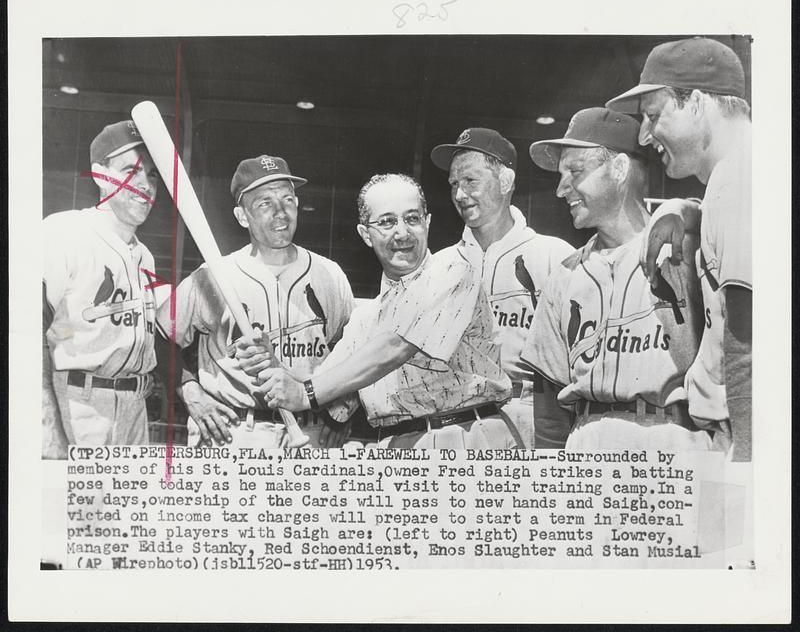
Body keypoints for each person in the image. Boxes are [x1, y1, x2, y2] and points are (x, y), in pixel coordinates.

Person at [236, 173, 518, 449]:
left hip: (467, 437)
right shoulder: (366, 317)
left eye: (412, 218)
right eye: (386, 222)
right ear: (365, 234)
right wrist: (272, 366)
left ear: (427, 223)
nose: (402, 232)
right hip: (394, 446)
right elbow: (326, 387)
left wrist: (303, 393)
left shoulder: (453, 269)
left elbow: (395, 346)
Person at [520, 107, 712, 451]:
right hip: (587, 439)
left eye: (575, 172)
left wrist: (686, 208)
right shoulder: (564, 276)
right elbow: (548, 410)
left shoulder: (684, 250)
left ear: (620, 168)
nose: (562, 189)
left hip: (673, 437)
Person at [606, 37, 751, 460]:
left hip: (739, 433)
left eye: (653, 115)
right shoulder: (743, 173)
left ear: (699, 103)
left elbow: (748, 345)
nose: (645, 135)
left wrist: (747, 462)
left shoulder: (739, 180)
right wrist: (686, 209)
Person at [156, 155, 355, 448]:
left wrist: (343, 413)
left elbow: (352, 349)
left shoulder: (329, 275)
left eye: (288, 199)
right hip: (236, 431)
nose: (280, 212)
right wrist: (191, 393)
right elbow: (160, 339)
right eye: (264, 203)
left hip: (312, 429)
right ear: (241, 216)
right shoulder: (212, 275)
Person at [430, 128, 574, 448]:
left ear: (505, 182)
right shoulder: (438, 265)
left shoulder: (553, 256)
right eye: (454, 184)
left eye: (470, 180)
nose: (460, 194)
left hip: (527, 411)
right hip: (454, 416)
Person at [43, 120, 163, 458]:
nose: (145, 185)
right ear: (100, 174)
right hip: (80, 407)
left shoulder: (145, 257)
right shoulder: (64, 232)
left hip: (135, 408)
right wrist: (47, 421)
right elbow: (25, 332)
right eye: (130, 170)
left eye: (152, 174)